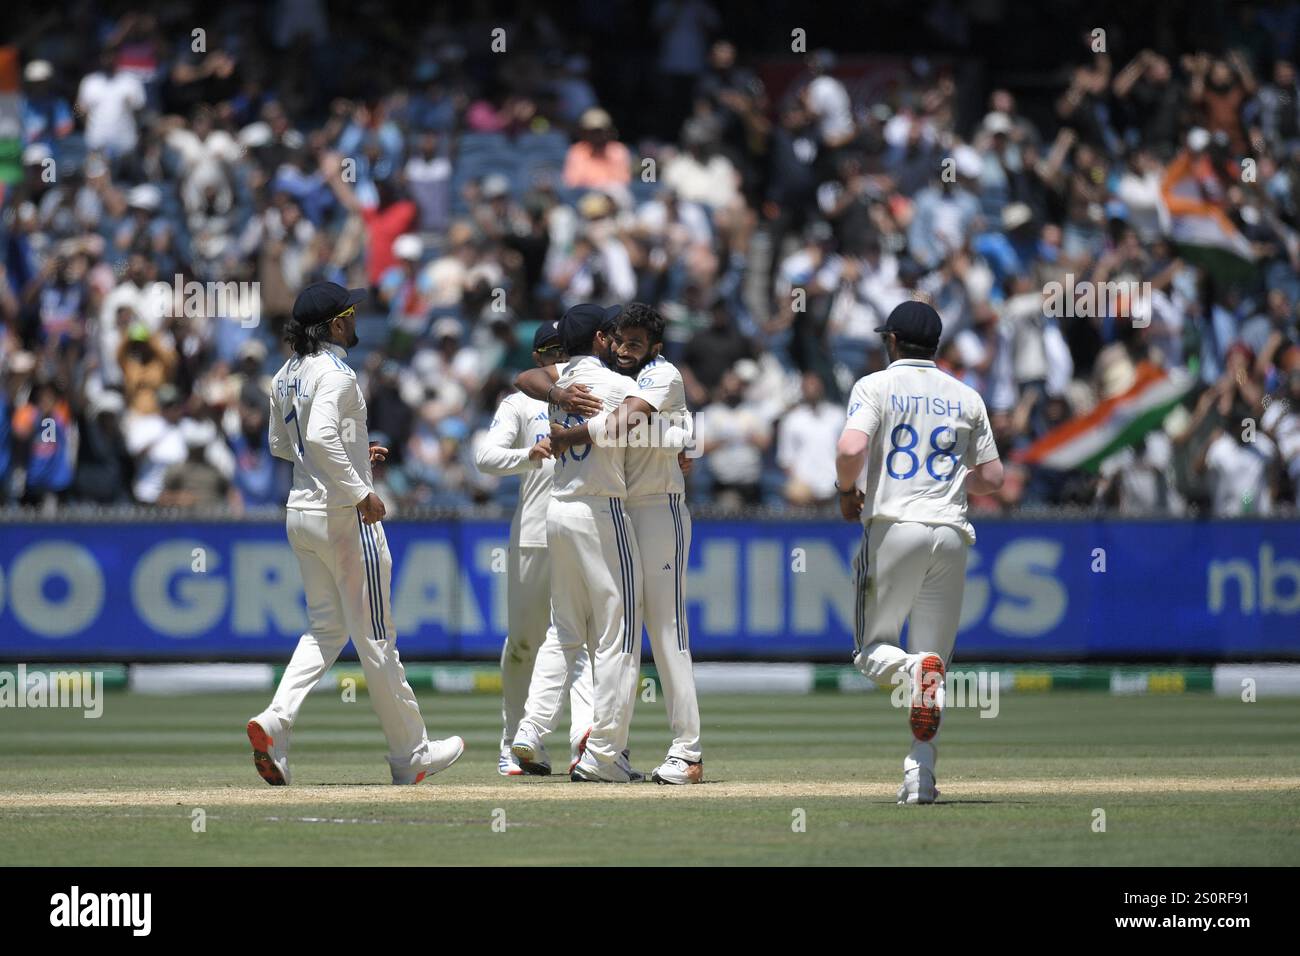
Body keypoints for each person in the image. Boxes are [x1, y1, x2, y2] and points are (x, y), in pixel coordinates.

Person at [246, 281, 464, 786]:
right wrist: (358, 487)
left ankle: (276, 723)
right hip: (344, 517)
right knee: (377, 640)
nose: (355, 319)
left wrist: (348, 456)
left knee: (326, 629)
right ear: (335, 324)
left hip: (300, 512)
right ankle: (411, 754)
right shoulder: (338, 374)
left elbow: (284, 443)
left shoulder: (285, 374)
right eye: (350, 312)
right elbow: (320, 436)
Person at [834, 300, 1004, 805]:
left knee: (872, 651)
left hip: (894, 527)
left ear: (891, 342)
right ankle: (920, 778)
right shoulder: (965, 394)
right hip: (951, 533)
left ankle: (911, 672)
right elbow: (994, 478)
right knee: (937, 661)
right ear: (937, 346)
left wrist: (847, 492)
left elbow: (848, 450)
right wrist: (954, 480)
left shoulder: (875, 385)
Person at [549, 304, 703, 784]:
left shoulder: (663, 374)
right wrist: (554, 389)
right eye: (618, 340)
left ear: (654, 348)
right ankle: (610, 749)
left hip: (659, 508)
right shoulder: (612, 375)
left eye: (634, 344)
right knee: (615, 631)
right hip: (619, 509)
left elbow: (627, 422)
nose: (623, 350)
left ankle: (687, 749)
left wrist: (567, 435)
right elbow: (528, 377)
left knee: (665, 626)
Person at [508, 303, 645, 783]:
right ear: (604, 339)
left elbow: (526, 377)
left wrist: (562, 400)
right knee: (617, 634)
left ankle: (529, 730)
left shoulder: (559, 387)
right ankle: (602, 754)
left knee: (563, 631)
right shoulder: (619, 385)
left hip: (558, 510)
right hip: (601, 508)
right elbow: (638, 420)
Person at [473, 320, 594, 775]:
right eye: (554, 356)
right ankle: (514, 744)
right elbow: (485, 458)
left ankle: (585, 745)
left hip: (585, 530)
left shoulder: (596, 390)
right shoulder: (522, 402)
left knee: (583, 643)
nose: (562, 366)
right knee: (525, 643)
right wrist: (530, 455)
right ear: (542, 358)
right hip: (533, 535)